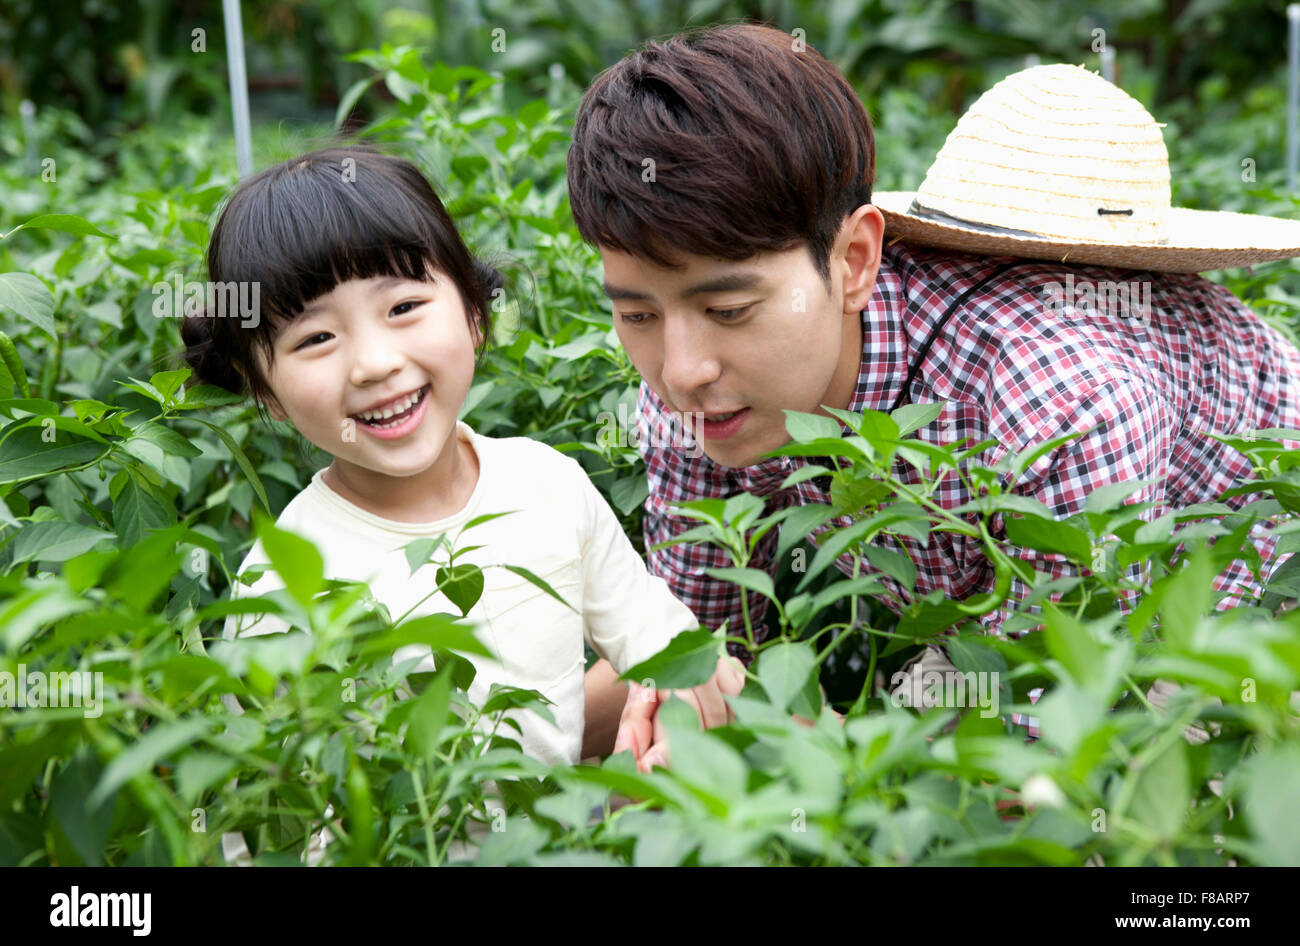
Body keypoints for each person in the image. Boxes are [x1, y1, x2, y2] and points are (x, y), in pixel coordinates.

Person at [567, 24, 1300, 739]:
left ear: (854, 262)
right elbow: (696, 643)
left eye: (729, 309)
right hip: (992, 612)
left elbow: (1066, 731)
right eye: (636, 314)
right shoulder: (695, 390)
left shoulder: (1054, 397)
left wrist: (823, 755)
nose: (681, 371)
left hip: (1246, 573)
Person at [180, 145, 744, 860]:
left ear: (476, 314)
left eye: (404, 307)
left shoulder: (547, 484)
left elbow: (663, 639)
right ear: (267, 393)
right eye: (316, 337)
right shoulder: (283, 582)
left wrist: (673, 707)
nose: (375, 362)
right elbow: (272, 829)